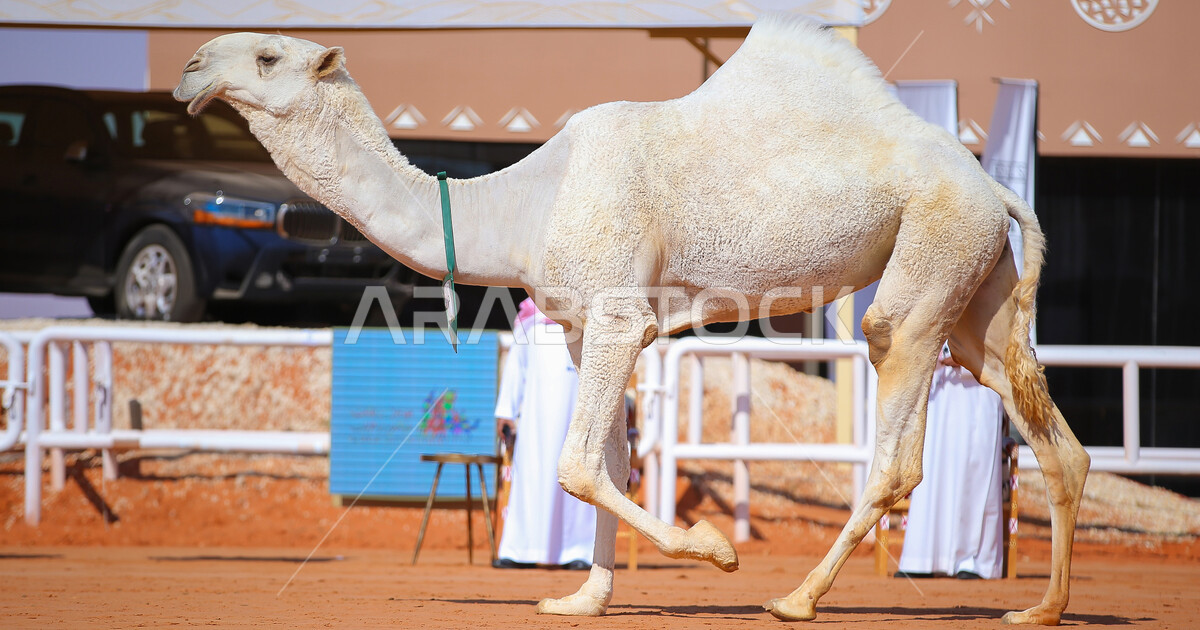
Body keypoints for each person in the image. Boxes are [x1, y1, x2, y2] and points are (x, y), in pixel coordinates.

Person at [492, 298, 595, 569]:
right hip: (534, 422)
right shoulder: (529, 317)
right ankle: (521, 549)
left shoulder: (590, 312)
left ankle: (578, 551)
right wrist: (506, 412)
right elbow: (516, 368)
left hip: (579, 415)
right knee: (531, 477)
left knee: (576, 477)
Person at [894, 346, 1006, 579]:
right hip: (941, 388)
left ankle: (974, 561)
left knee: (973, 472)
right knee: (933, 471)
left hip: (979, 387)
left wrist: (965, 355)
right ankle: (924, 558)